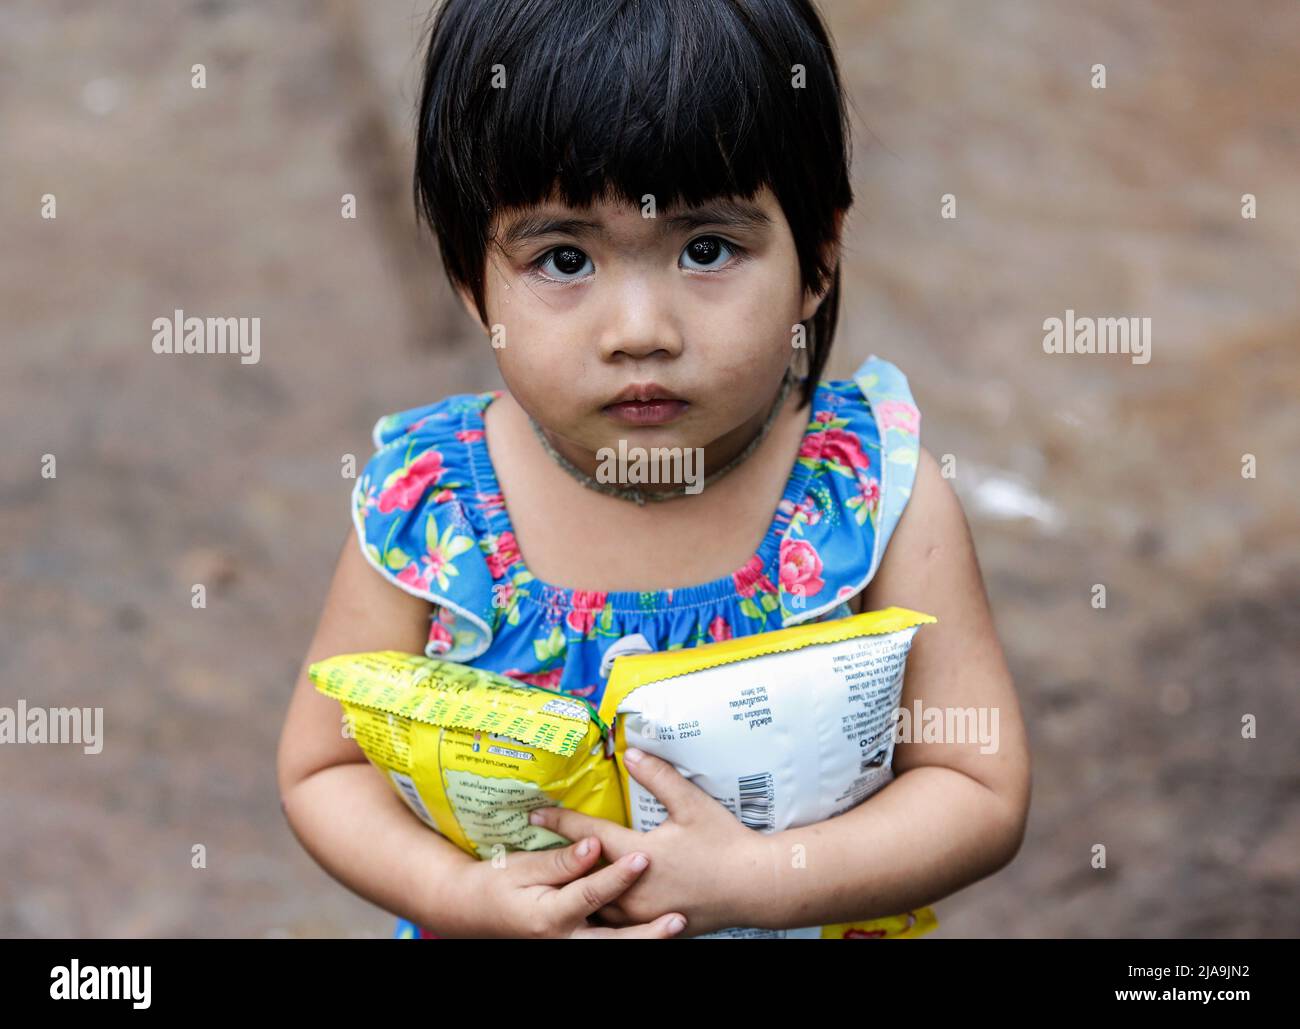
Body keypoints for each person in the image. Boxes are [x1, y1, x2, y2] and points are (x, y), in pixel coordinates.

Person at [277, 0, 1030, 939]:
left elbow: (976, 786)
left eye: (706, 248)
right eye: (562, 258)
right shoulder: (434, 510)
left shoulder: (872, 504)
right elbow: (327, 766)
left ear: (819, 254)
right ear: (473, 282)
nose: (640, 331)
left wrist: (760, 880)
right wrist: (456, 895)